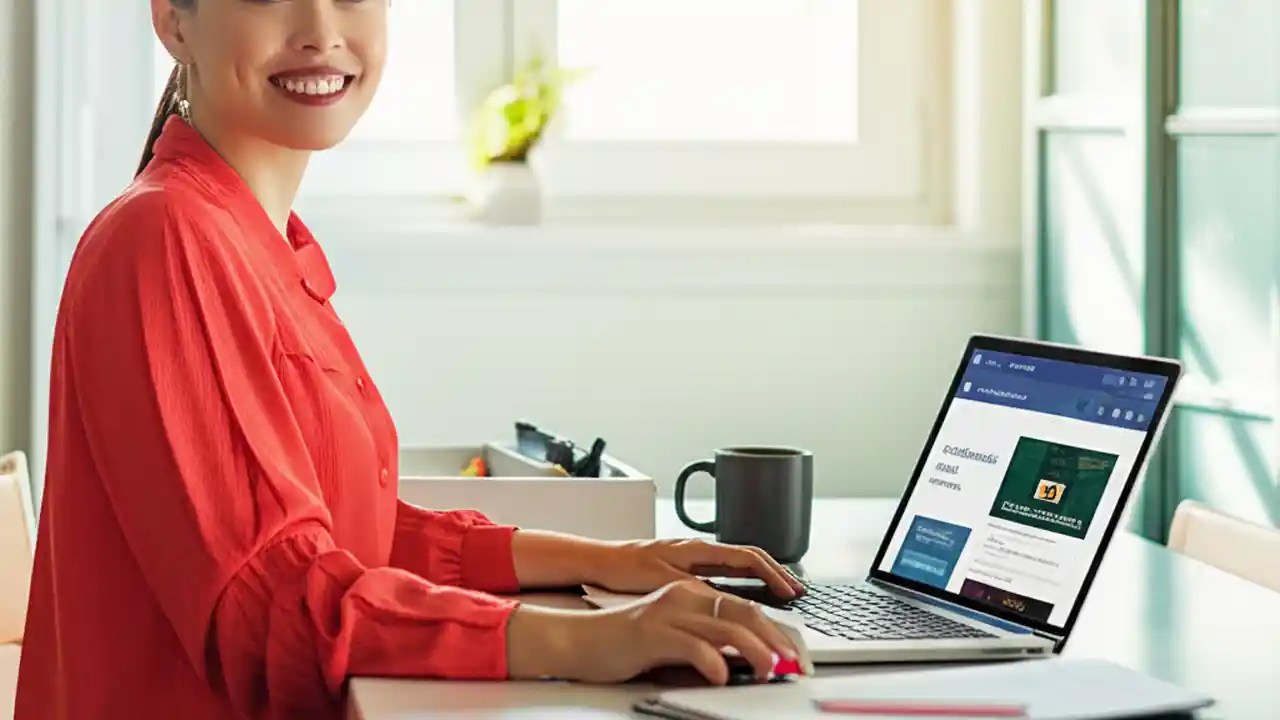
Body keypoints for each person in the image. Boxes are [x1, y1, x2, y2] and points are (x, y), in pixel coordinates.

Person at [14, 2, 805, 718]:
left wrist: (620, 563)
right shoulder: (164, 241)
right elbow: (276, 605)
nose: (320, 27)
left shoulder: (258, 243)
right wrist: (585, 642)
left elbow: (352, 531)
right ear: (173, 19)